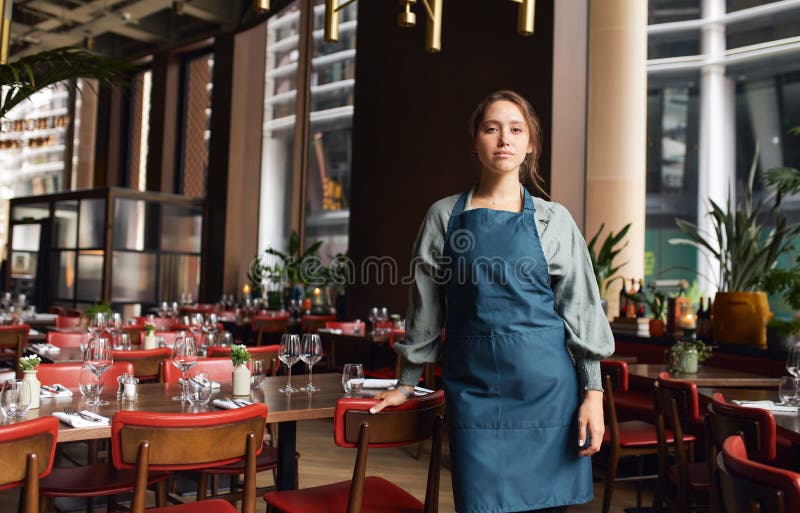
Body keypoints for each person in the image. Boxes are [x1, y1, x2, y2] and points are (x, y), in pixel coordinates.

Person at [371, 90, 615, 513]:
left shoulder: (553, 220)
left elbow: (581, 308)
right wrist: (406, 382)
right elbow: (425, 307)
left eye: (516, 130)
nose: (504, 139)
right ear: (474, 141)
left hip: (548, 396)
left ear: (530, 144)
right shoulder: (444, 217)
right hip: (475, 394)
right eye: (492, 129)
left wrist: (592, 394)